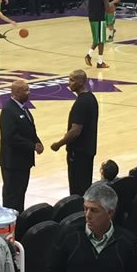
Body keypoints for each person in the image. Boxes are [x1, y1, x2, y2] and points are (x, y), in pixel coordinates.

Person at [50, 69, 99, 197]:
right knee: (84, 188)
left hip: (78, 153)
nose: (69, 83)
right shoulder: (91, 98)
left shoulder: (81, 103)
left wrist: (58, 144)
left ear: (81, 81)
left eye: (72, 80)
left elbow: (75, 131)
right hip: (88, 150)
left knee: (77, 190)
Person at [0, 77, 42, 210]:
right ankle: (11, 225)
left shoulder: (22, 108)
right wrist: (32, 145)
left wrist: (37, 141)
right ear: (15, 93)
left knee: (20, 195)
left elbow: (28, 129)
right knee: (12, 197)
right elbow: (10, 137)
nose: (29, 92)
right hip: (12, 163)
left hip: (22, 161)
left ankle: (19, 221)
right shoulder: (8, 110)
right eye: (25, 90)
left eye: (28, 89)